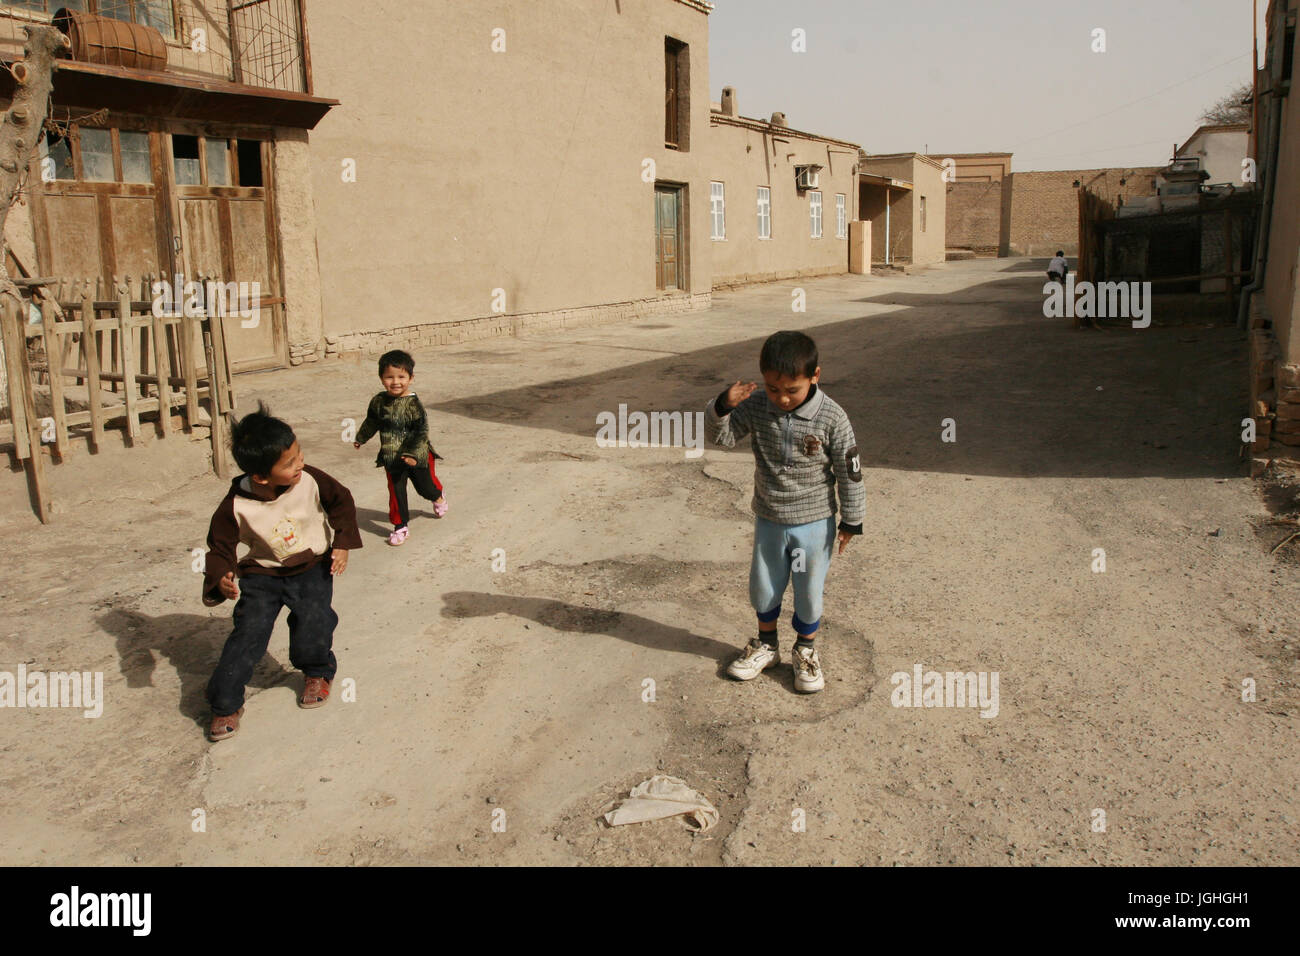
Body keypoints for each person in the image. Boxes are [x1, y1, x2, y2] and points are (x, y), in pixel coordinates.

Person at [705, 330, 865, 693]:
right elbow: (723, 437)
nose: (782, 398)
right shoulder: (759, 406)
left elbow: (849, 470)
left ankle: (805, 650)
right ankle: (767, 645)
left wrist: (852, 520)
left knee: (809, 589)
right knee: (764, 585)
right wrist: (722, 407)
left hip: (814, 522)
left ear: (815, 376)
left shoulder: (832, 417)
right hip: (770, 518)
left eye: (792, 390)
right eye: (773, 388)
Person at [201, 402, 362, 742]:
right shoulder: (237, 504)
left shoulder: (311, 480)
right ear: (260, 476)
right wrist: (222, 576)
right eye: (289, 463)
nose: (300, 464)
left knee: (314, 623)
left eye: (299, 454)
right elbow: (220, 547)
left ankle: (317, 671)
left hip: (313, 569)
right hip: (263, 576)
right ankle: (225, 703)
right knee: (248, 635)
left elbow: (342, 501)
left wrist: (343, 543)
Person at [353, 350, 447, 546]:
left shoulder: (414, 405)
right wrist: (361, 438)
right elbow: (372, 422)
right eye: (389, 377)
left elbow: (421, 432)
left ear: (411, 378)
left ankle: (437, 496)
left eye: (401, 377)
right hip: (391, 457)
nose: (395, 382)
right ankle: (400, 526)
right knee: (396, 492)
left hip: (418, 455)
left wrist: (412, 455)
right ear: (381, 378)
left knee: (425, 488)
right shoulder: (379, 402)